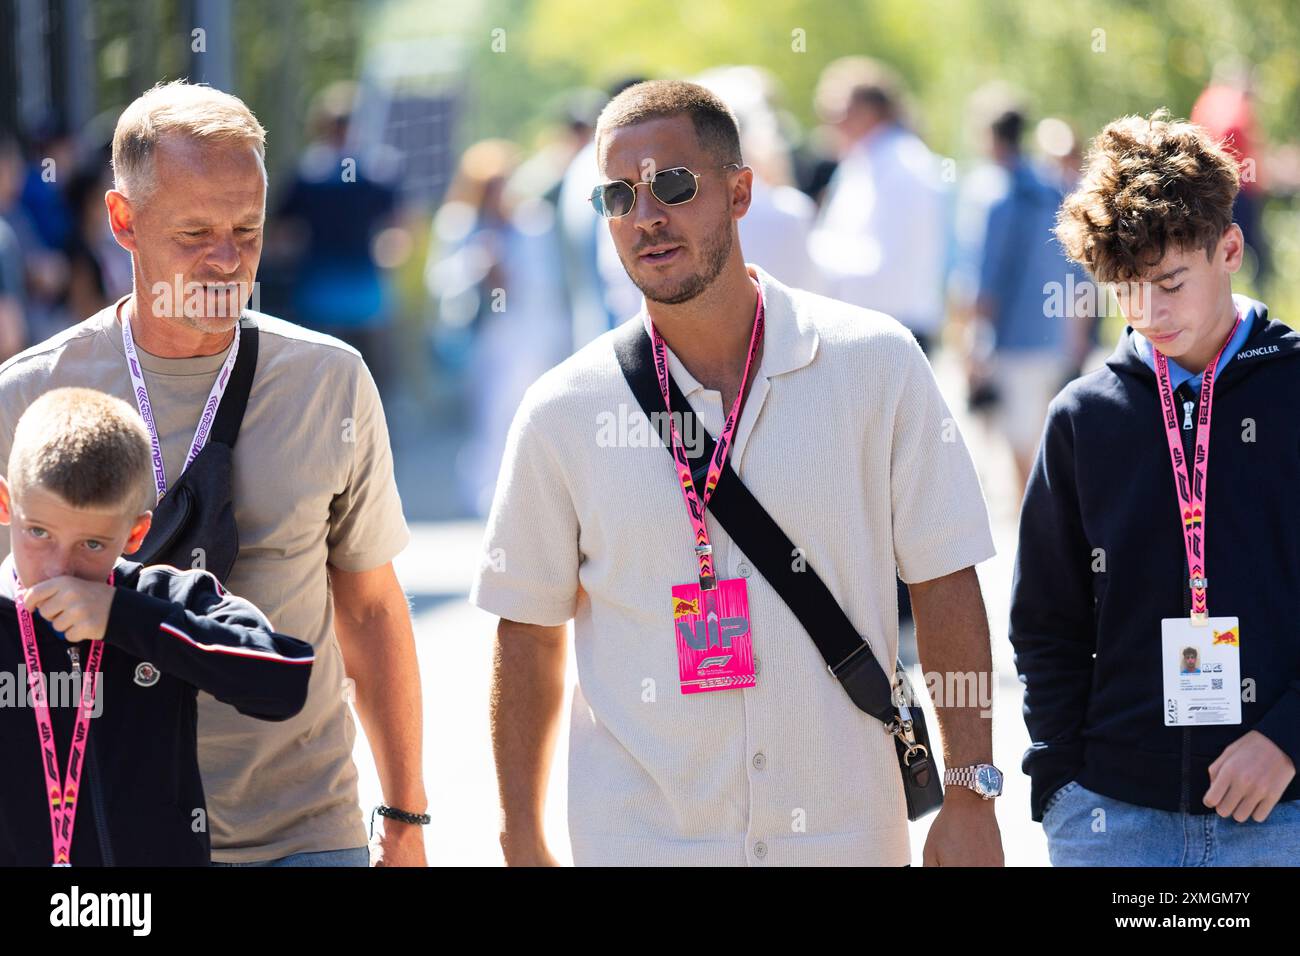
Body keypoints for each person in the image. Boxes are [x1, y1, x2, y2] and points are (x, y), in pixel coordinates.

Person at [471, 80, 1004, 867]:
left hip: (845, 840)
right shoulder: (563, 411)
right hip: (642, 847)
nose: (646, 216)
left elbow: (944, 578)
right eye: (618, 197)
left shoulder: (876, 364)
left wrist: (970, 794)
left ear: (741, 191)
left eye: (673, 185)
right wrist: (519, 835)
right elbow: (526, 632)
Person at [0, 80, 424, 867]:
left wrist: (404, 815)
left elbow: (369, 609)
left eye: (246, 231)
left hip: (304, 833)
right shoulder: (26, 395)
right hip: (105, 848)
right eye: (194, 233)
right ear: (123, 221)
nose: (227, 261)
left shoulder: (329, 382)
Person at [1011, 110, 1300, 866]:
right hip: (1113, 822)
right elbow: (1045, 621)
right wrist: (1060, 788)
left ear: (1230, 249)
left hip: (1284, 815)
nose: (1148, 313)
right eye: (1125, 290)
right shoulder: (1084, 417)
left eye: (1170, 283)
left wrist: (1287, 739)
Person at [0, 387, 314, 866]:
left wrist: (124, 617)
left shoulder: (164, 598)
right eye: (38, 533)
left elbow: (284, 681)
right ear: (6, 505)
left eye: (91, 544)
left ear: (135, 534)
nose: (60, 567)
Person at [807, 57, 946, 355]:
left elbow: (889, 266)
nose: (829, 123)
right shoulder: (866, 161)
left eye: (836, 112)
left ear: (867, 112)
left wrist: (809, 256)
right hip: (873, 327)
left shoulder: (903, 165)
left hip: (890, 332)